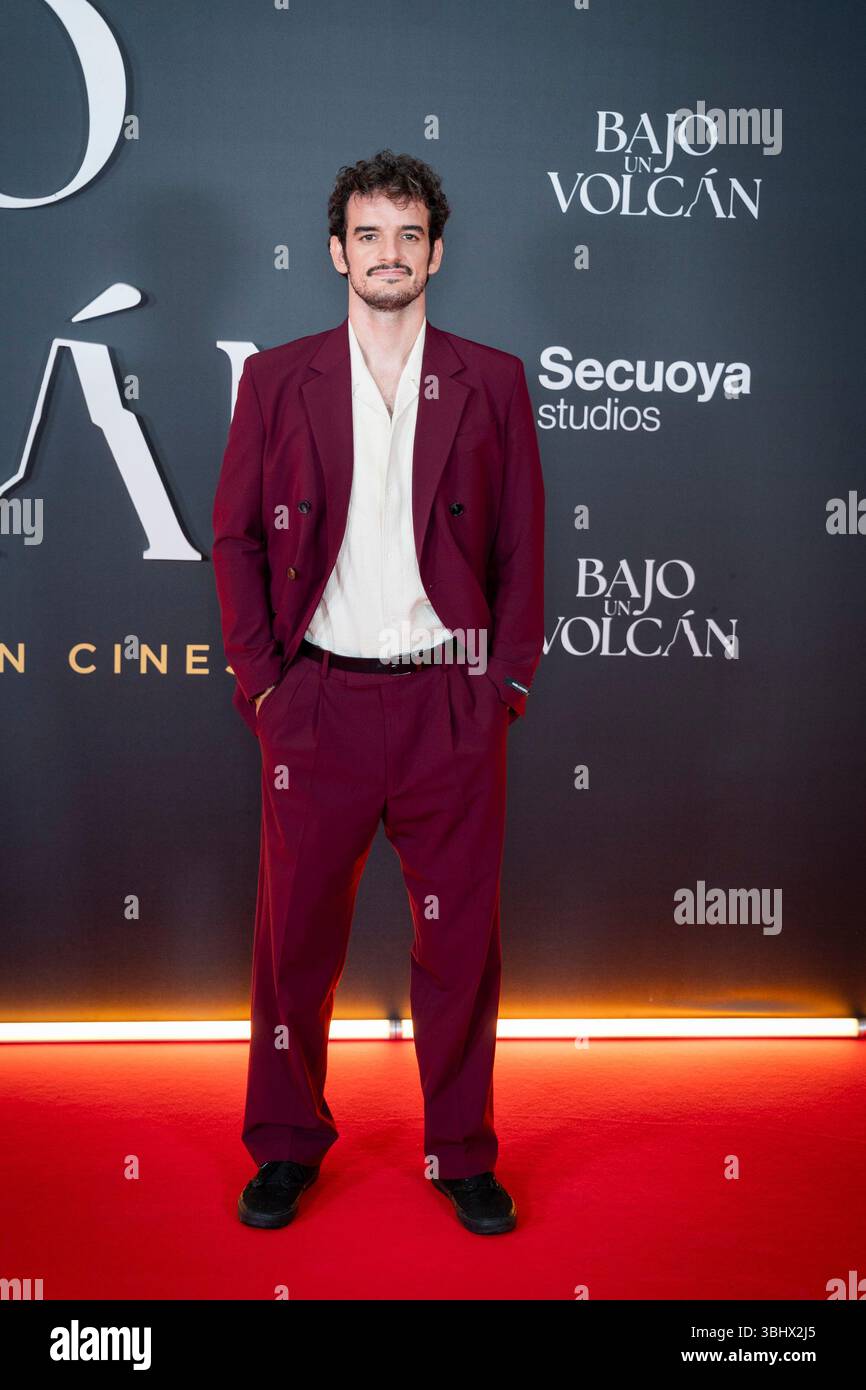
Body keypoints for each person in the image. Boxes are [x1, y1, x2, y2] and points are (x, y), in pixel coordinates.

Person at [212, 149, 545, 1235]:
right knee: (293, 943)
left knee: (458, 948)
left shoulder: (490, 379)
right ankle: (285, 1144)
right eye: (368, 234)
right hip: (317, 707)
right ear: (335, 252)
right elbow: (231, 539)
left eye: (408, 235)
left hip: (451, 708)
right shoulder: (276, 379)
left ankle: (460, 1151)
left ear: (435, 252)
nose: (387, 253)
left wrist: (499, 687)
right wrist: (266, 686)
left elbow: (524, 550)